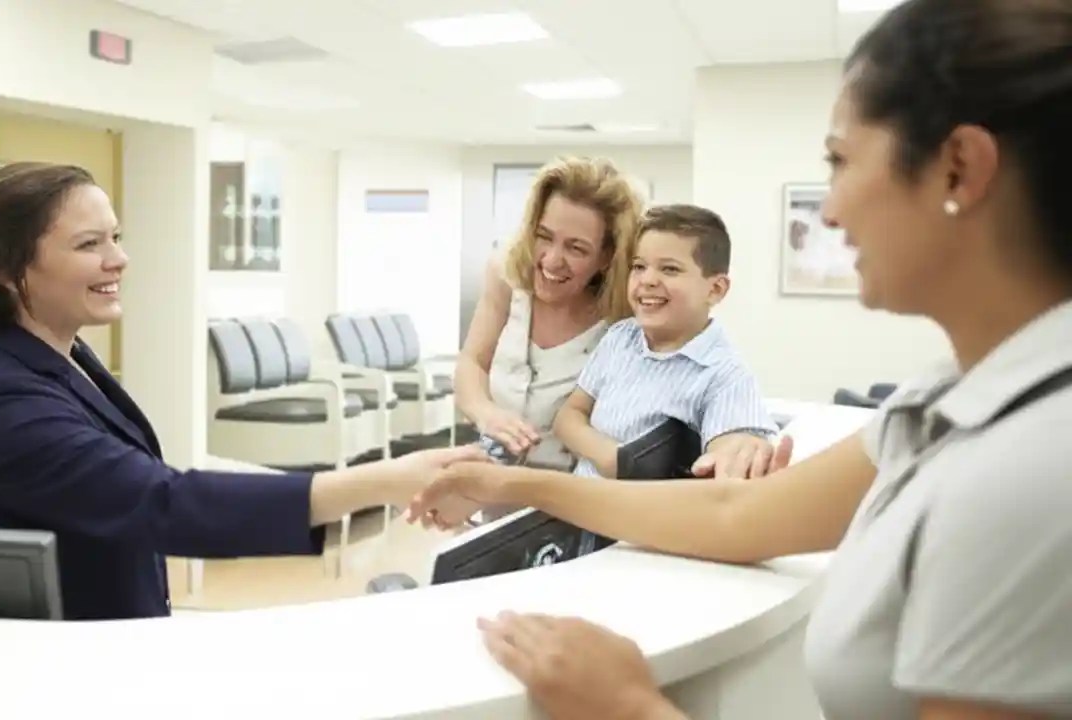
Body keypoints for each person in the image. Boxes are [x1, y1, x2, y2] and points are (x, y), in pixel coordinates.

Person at [414, 0, 1072, 717]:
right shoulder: (947, 399)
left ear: (958, 169)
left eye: (841, 162)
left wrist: (628, 705)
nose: (828, 213)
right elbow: (737, 512)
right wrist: (513, 487)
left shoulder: (1036, 467)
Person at [0, 161, 483, 621]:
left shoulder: (65, 358)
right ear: (11, 273)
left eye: (116, 237)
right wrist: (387, 480)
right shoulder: (2, 403)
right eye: (89, 244)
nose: (119, 259)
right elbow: (163, 503)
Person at [554, 204, 779, 481]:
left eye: (670, 269)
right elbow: (569, 415)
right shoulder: (619, 338)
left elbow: (733, 450)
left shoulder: (725, 377)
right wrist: (615, 460)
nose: (647, 280)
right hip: (576, 509)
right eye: (639, 266)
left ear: (715, 289)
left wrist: (738, 449)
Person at [456, 156, 640, 479]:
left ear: (606, 257)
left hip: (573, 492)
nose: (552, 260)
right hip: (494, 476)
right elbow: (472, 362)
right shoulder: (504, 277)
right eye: (544, 236)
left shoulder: (623, 318)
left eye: (576, 248)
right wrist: (488, 415)